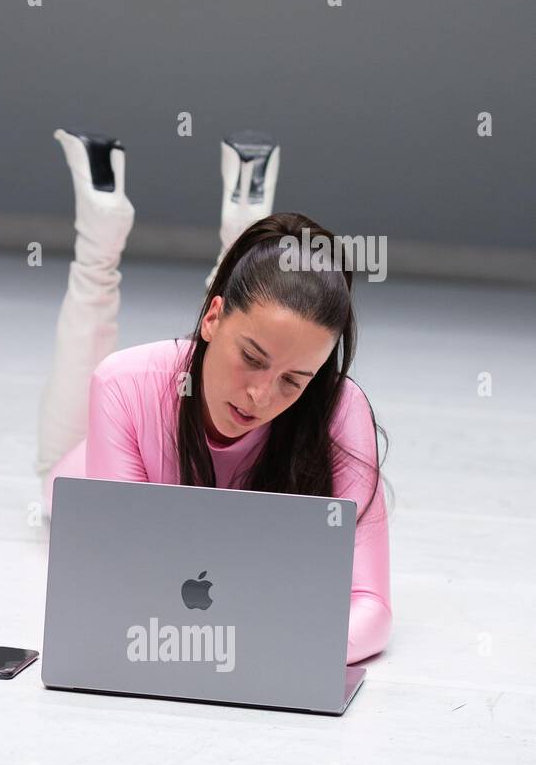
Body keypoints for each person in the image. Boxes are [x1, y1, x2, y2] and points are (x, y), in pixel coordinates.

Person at [36, 129, 391, 665]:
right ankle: (98, 237)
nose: (259, 395)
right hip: (87, 463)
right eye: (251, 359)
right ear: (210, 315)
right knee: (80, 410)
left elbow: (373, 609)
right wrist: (269, 638)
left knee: (225, 342)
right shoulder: (124, 384)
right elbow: (126, 579)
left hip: (176, 386)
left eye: (294, 381)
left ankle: (236, 237)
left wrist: (249, 646)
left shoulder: (339, 410)